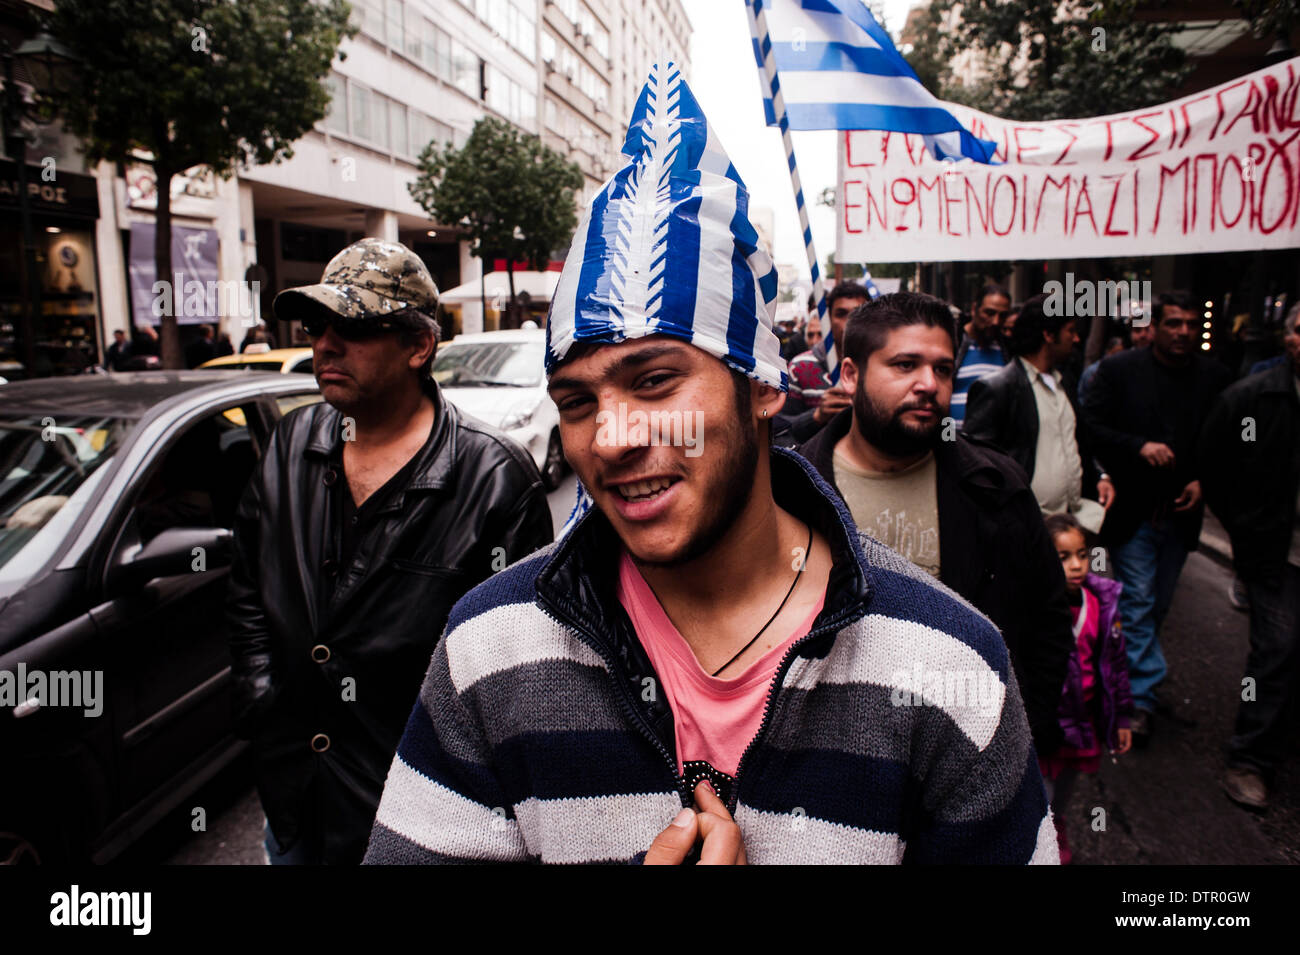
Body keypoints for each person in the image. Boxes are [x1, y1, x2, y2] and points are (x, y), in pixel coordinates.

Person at [364, 67, 1055, 865]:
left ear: (762, 388)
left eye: (654, 382)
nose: (611, 436)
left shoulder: (944, 662)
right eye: (578, 401)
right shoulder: (490, 648)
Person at [227, 238, 554, 865]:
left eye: (352, 327)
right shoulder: (292, 441)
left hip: (421, 817)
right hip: (298, 800)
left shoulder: (491, 477)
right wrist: (262, 699)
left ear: (418, 346)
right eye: (318, 325)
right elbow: (248, 588)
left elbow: (523, 661)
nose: (324, 344)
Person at [796, 291, 1074, 761]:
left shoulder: (994, 487)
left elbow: (1046, 617)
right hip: (830, 753)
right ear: (851, 374)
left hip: (967, 749)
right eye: (905, 365)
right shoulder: (793, 490)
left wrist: (1021, 734)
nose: (928, 383)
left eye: (942, 369)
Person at [1081, 291, 1232, 744]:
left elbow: (1229, 440)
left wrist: (1204, 481)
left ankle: (1125, 677)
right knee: (1139, 604)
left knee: (1156, 606)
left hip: (1181, 518)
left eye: (1190, 323)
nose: (1183, 332)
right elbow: (1090, 428)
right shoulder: (1120, 370)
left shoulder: (1215, 378)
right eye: (1173, 323)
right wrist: (1136, 447)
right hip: (1134, 514)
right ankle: (1137, 700)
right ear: (1156, 327)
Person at [1199, 303, 1300, 811]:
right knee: (1276, 652)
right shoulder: (1252, 399)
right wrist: (1247, 531)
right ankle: (1250, 760)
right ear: (1288, 339)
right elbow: (1216, 466)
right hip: (1278, 555)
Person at [964, 294, 1114, 532]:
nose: (1076, 339)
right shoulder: (999, 387)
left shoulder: (1065, 382)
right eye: (1070, 330)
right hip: (1023, 527)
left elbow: (1078, 442)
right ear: (1048, 334)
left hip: (1070, 522)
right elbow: (976, 465)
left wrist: (1100, 476)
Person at [1039, 513, 1133, 863]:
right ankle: (1039, 843)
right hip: (1049, 725)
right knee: (1041, 797)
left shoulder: (1102, 606)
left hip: (1085, 724)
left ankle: (1057, 828)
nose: (1077, 565)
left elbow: (1116, 664)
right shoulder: (1038, 607)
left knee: (1064, 792)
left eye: (1081, 554)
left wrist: (1122, 716)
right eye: (1064, 558)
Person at [776, 282, 870, 443]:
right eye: (841, 313)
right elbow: (780, 430)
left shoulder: (883, 367)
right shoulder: (800, 368)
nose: (849, 321)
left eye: (858, 312)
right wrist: (817, 416)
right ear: (827, 319)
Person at [949, 283, 1011, 428]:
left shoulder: (1009, 349)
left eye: (1002, 316)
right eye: (989, 313)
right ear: (974, 309)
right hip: (953, 439)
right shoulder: (953, 342)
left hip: (992, 444)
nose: (996, 322)